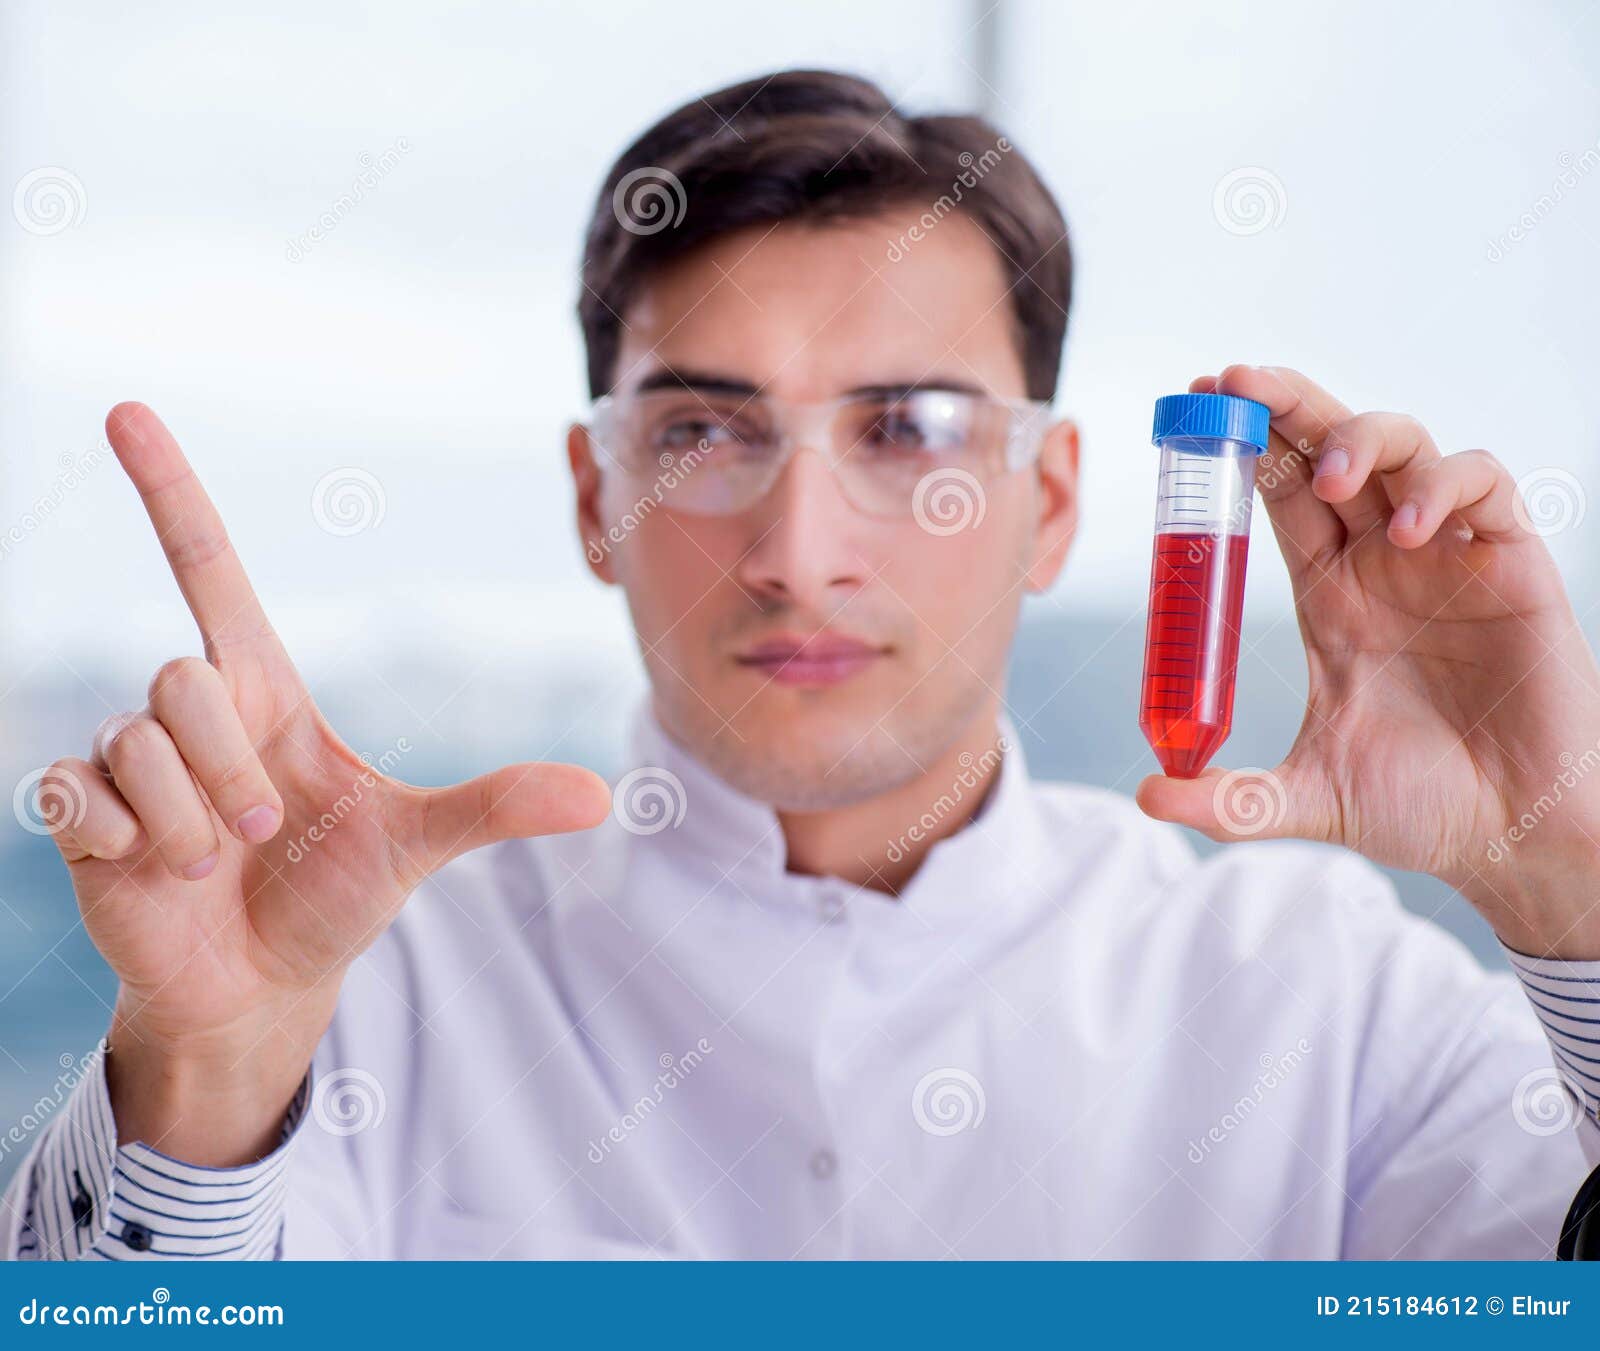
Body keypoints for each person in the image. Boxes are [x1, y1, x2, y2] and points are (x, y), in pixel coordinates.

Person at [7, 69, 1600, 1262]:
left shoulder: (1321, 997)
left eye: (908, 431)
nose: (798, 547)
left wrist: (1571, 884)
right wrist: (206, 1077)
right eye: (704, 433)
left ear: (1049, 507)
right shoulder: (356, 996)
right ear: (594, 501)